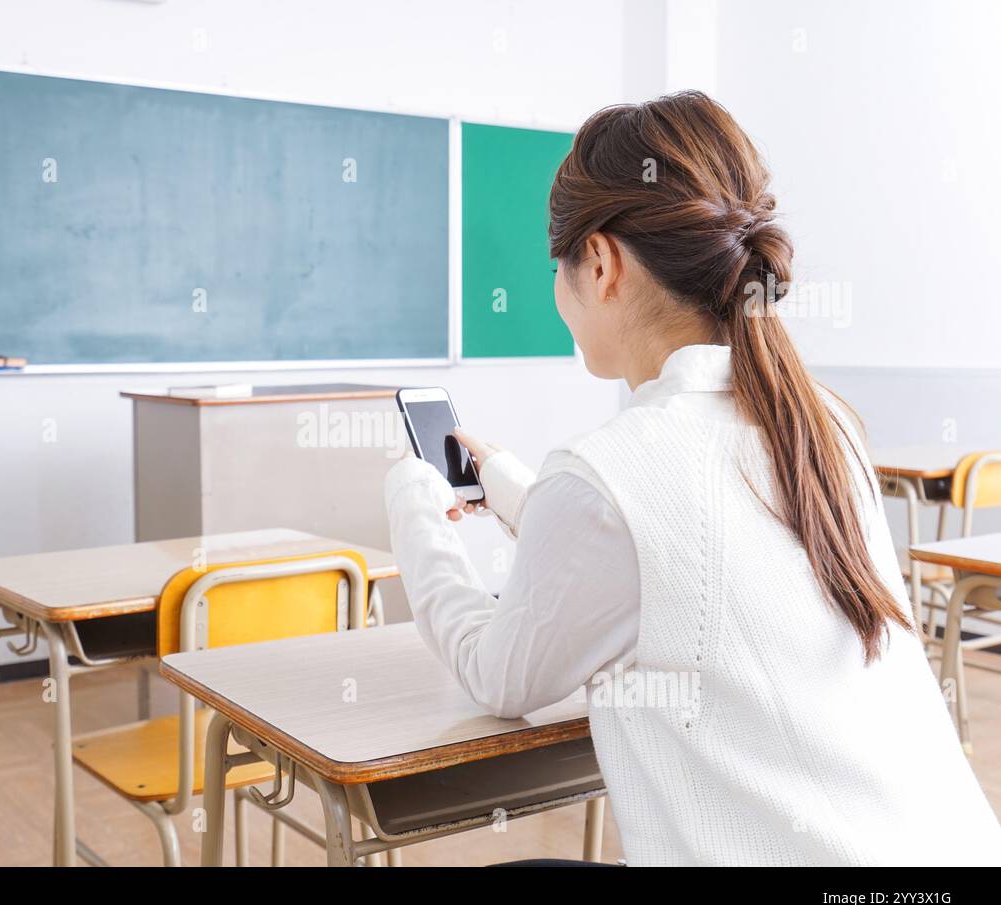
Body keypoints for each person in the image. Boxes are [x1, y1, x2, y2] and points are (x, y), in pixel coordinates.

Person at [385, 91, 1001, 865]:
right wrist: (503, 480)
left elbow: (499, 676)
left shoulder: (610, 472)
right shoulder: (821, 424)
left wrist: (413, 502)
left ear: (601, 263)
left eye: (558, 265)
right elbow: (662, 528)